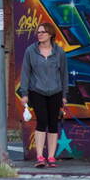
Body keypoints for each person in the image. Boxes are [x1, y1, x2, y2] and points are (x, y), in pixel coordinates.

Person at [18, 23, 69, 168]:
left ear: (50, 35)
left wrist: (64, 95)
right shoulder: (31, 51)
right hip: (37, 91)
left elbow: (64, 75)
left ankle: (51, 157)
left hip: (56, 92)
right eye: (38, 32)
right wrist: (24, 94)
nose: (39, 34)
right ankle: (40, 156)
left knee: (53, 123)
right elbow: (26, 73)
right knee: (42, 120)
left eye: (43, 32)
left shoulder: (59, 52)